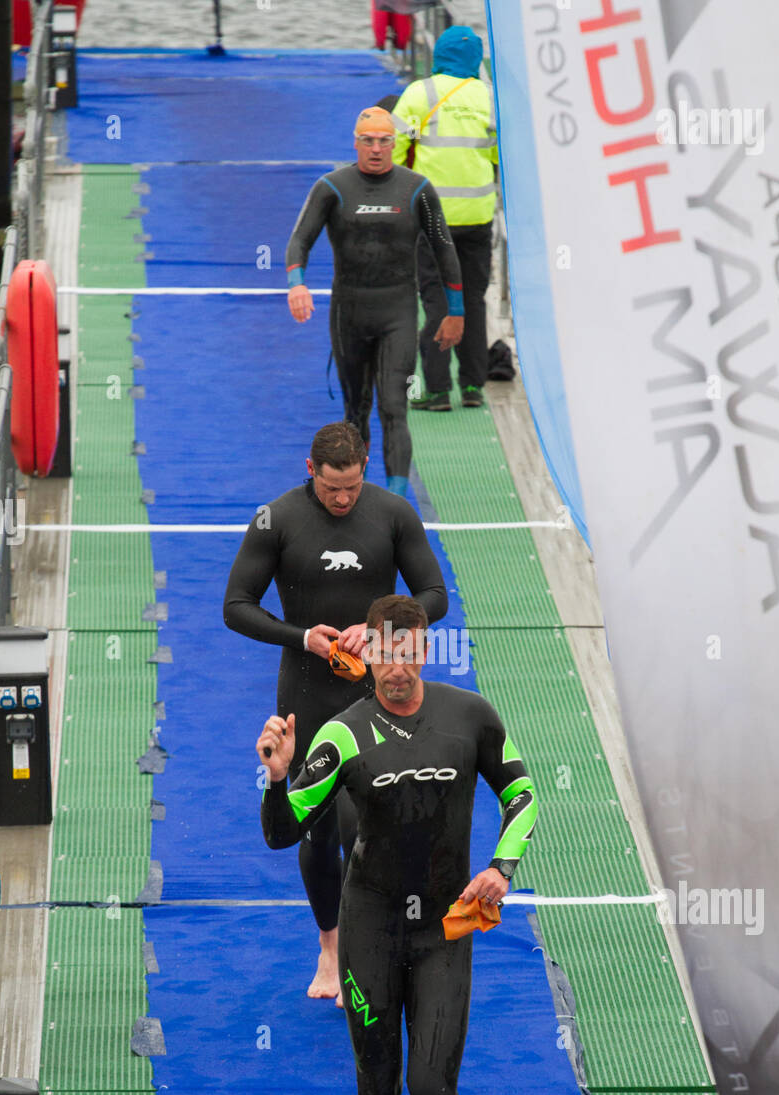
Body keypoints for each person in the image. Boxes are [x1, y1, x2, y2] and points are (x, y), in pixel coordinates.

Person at [256, 593, 539, 1095]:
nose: (399, 669)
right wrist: (273, 777)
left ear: (425, 652)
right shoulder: (343, 735)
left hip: (449, 924)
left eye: (411, 655)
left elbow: (524, 794)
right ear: (369, 654)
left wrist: (502, 867)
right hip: (373, 926)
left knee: (434, 1092)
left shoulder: (469, 717)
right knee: (377, 1092)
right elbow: (280, 832)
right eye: (387, 655)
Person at [224, 422, 447, 1004]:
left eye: (351, 487)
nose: (343, 499)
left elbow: (434, 594)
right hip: (308, 695)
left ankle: (372, 945)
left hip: (377, 697)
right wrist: (305, 638)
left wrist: (383, 632)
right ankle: (330, 945)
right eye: (331, 489)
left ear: (364, 469)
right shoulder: (276, 520)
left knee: (368, 827)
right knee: (320, 833)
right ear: (310, 470)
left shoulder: (394, 513)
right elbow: (236, 607)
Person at [285, 105, 464, 495]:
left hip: (397, 310)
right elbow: (300, 239)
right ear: (356, 144)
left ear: (395, 144)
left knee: (394, 408)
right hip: (348, 314)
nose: (377, 149)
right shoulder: (331, 187)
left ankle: (395, 503)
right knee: (356, 413)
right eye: (368, 142)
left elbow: (444, 248)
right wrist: (297, 283)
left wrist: (456, 311)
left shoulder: (417, 189)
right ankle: (354, 495)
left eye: (385, 141)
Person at [390, 25, 498, 411]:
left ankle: (436, 390)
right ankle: (473, 386)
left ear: (438, 56)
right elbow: (499, 155)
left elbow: (396, 145)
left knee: (437, 298)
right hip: (478, 214)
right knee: (472, 297)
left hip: (434, 218)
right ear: (474, 61)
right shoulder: (489, 98)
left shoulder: (420, 94)